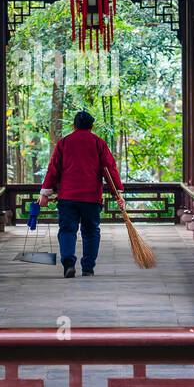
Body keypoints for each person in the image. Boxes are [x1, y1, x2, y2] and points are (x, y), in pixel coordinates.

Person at [39, 111, 125, 278]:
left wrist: (45, 193)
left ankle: (69, 264)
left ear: (74, 125)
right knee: (91, 231)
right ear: (91, 126)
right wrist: (118, 193)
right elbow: (110, 169)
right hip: (91, 197)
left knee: (67, 230)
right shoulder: (99, 143)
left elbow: (53, 169)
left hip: (67, 197)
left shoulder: (64, 142)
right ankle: (88, 267)